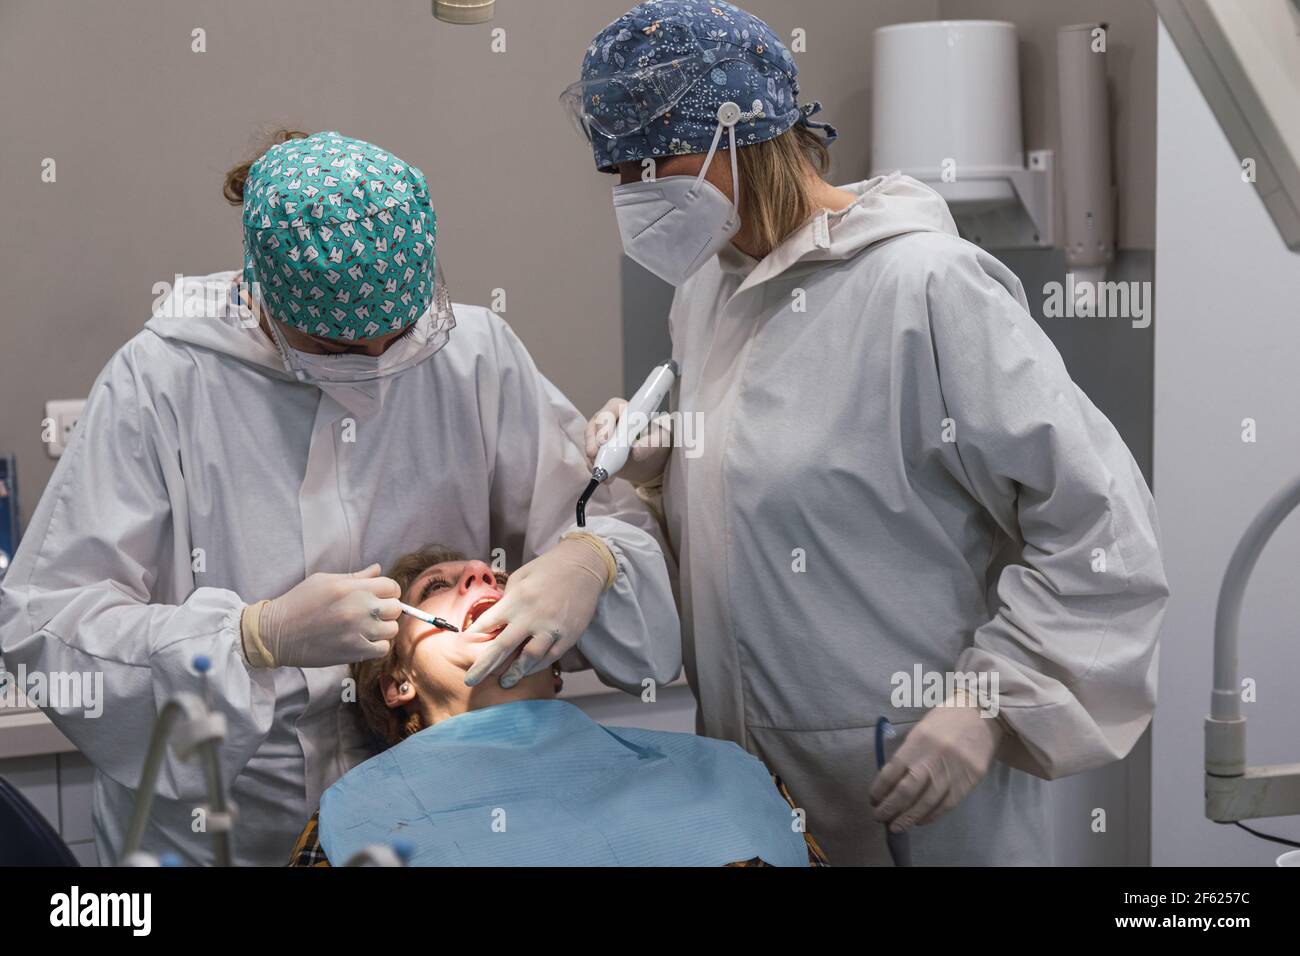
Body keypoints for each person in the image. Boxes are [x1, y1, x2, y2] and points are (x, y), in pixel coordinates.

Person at [558, 1, 1170, 865]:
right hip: (752, 792)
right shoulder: (708, 292)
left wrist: (987, 702)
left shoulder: (924, 286)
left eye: (652, 162)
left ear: (742, 134)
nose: (634, 194)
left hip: (918, 792)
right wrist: (662, 463)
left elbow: (1105, 533)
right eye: (617, 171)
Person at [0, 130, 680, 866]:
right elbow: (44, 624)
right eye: (336, 351)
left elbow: (605, 536)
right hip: (224, 831)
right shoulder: (164, 381)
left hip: (445, 821)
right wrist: (251, 640)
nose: (376, 366)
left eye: (398, 338)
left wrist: (590, 558)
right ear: (264, 294)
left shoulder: (474, 357)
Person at [287, 545, 826, 867]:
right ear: (396, 682)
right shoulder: (353, 819)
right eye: (437, 587)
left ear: (558, 658)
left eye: (500, 580)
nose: (483, 574)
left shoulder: (726, 772)